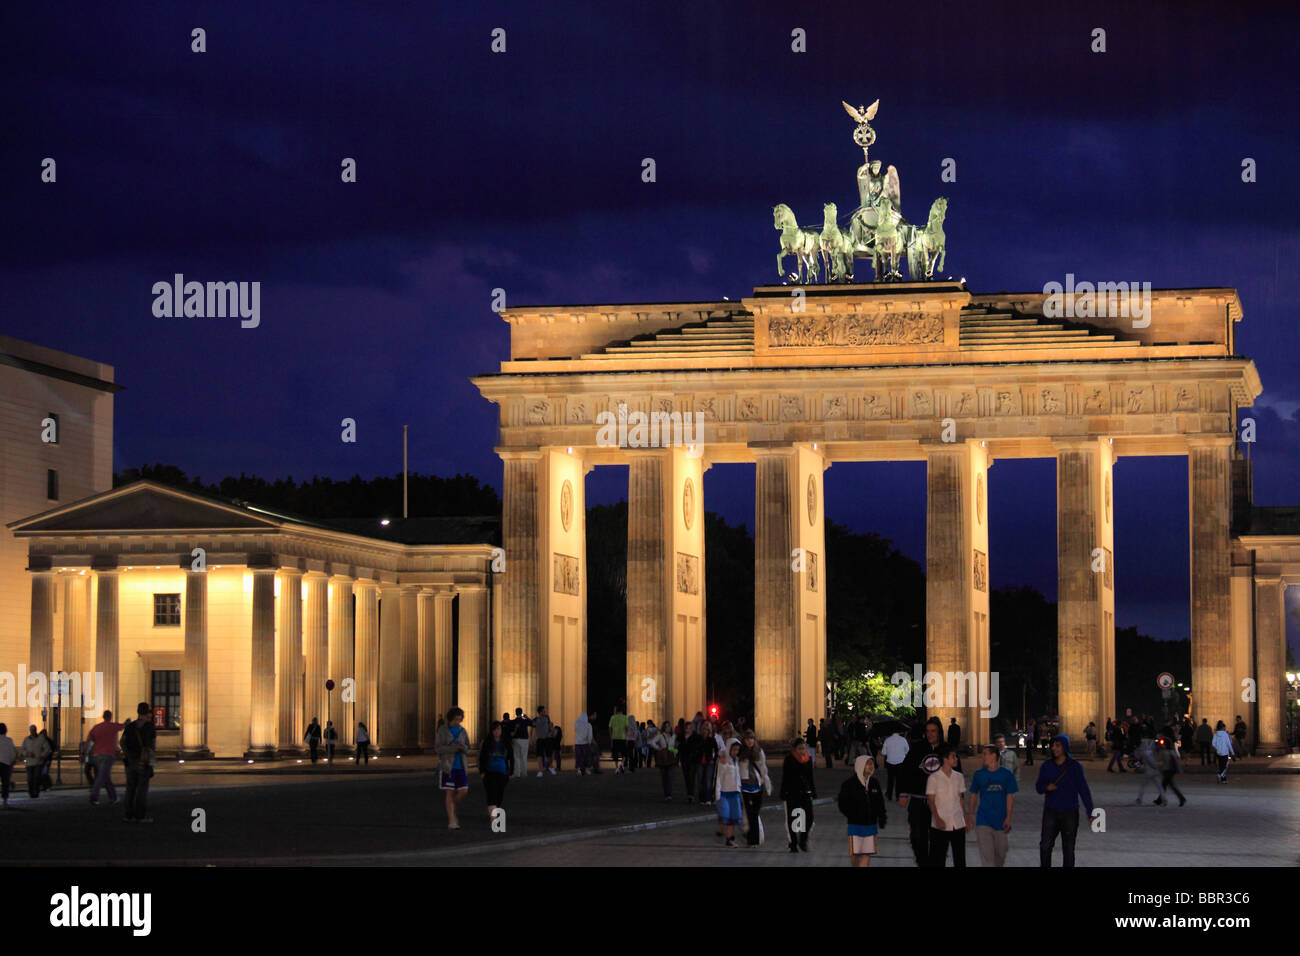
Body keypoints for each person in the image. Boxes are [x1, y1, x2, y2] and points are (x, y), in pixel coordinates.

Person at [1035, 734, 1094, 867]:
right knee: (1045, 846)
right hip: (1051, 811)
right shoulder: (1046, 766)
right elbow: (1038, 787)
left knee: (1068, 849)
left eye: (1057, 745)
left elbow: (1084, 790)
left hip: (1070, 812)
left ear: (1065, 747)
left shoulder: (1075, 767)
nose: (1054, 748)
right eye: (1053, 745)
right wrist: (1046, 787)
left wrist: (1090, 812)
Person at [898, 717, 944, 866]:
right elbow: (905, 772)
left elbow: (958, 775)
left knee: (939, 839)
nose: (930, 734)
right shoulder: (917, 749)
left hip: (940, 803)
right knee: (918, 837)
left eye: (933, 731)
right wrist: (903, 793)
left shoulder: (947, 750)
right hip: (919, 801)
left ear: (939, 732)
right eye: (928, 731)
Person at [968, 745, 1018, 867]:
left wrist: (1008, 817)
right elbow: (973, 795)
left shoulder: (1007, 775)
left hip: (1001, 820)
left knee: (1001, 853)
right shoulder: (978, 774)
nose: (982, 756)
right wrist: (971, 815)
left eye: (985, 754)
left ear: (994, 756)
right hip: (983, 820)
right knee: (988, 859)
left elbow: (1010, 797)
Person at [836, 754, 886, 866]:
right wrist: (851, 814)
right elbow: (842, 803)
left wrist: (882, 817)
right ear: (860, 765)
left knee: (866, 853)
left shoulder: (874, 783)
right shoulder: (849, 784)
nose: (871, 766)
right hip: (855, 825)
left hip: (871, 824)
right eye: (868, 764)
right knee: (855, 853)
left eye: (872, 764)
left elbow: (880, 802)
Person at [926, 746, 967, 867]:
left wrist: (965, 818)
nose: (956, 759)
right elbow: (931, 801)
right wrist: (937, 818)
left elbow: (960, 798)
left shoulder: (959, 777)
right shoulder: (934, 778)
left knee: (960, 858)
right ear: (945, 759)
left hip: (958, 822)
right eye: (953, 757)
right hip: (941, 824)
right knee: (938, 858)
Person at [120, 703, 157, 823]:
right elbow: (152, 746)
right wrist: (151, 762)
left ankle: (128, 815)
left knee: (130, 788)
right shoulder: (150, 726)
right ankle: (140, 816)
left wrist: (128, 755)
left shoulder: (130, 726)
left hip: (130, 761)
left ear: (138, 712)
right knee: (142, 789)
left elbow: (122, 742)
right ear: (147, 713)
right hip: (143, 761)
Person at [436, 707, 471, 828]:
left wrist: (463, 748)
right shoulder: (443, 730)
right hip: (448, 766)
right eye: (456, 719)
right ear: (450, 718)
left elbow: (468, 747)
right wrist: (453, 748)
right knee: (449, 792)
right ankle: (452, 820)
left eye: (460, 719)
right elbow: (438, 748)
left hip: (461, 765)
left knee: (463, 791)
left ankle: (452, 808)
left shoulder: (462, 730)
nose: (458, 722)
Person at [736, 730, 772, 847]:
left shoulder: (759, 752)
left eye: (751, 738)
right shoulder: (740, 752)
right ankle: (752, 839)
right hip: (745, 786)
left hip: (757, 785)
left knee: (755, 812)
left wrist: (767, 784)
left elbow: (763, 768)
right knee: (749, 812)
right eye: (747, 739)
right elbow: (736, 768)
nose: (749, 741)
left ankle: (754, 838)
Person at [781, 738, 817, 852]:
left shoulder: (808, 759)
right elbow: (785, 777)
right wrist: (783, 792)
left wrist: (813, 791)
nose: (802, 751)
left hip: (805, 792)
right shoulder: (789, 759)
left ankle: (803, 839)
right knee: (793, 818)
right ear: (795, 749)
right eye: (800, 748)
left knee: (809, 818)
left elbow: (810, 777)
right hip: (792, 792)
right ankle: (793, 843)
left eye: (803, 748)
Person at [86, 710, 124, 805]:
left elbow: (89, 739)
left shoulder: (97, 727)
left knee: (105, 777)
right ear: (110, 717)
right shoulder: (112, 726)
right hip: (108, 755)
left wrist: (84, 753)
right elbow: (123, 726)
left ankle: (113, 797)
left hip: (97, 755)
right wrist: (127, 722)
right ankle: (94, 796)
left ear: (103, 717)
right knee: (102, 776)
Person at [479, 720, 514, 819]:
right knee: (491, 794)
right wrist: (482, 771)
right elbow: (482, 757)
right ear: (491, 731)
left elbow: (511, 758)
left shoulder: (506, 743)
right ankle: (493, 819)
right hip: (489, 772)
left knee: (499, 795)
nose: (497, 732)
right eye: (494, 729)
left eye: (498, 729)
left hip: (502, 772)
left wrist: (511, 771)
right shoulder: (487, 742)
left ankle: (495, 812)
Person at [715, 740, 744, 847]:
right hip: (724, 793)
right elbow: (718, 778)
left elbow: (738, 777)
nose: (736, 752)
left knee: (732, 818)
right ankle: (720, 831)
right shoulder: (723, 762)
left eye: (737, 750)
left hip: (734, 793)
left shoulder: (736, 761)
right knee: (725, 815)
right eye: (734, 749)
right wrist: (717, 793)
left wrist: (739, 790)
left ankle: (729, 838)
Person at [1154, 734, 1186, 807]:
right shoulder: (1171, 752)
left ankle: (1181, 798)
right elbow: (1175, 762)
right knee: (1167, 785)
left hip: (1167, 770)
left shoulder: (1164, 752)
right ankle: (1160, 799)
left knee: (1165, 786)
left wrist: (1156, 765)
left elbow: (1162, 762)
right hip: (1171, 771)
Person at [647, 721, 676, 800]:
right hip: (663, 758)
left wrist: (674, 752)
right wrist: (658, 748)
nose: (668, 728)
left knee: (669, 776)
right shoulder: (660, 736)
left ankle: (669, 794)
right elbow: (653, 742)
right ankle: (666, 793)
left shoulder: (674, 736)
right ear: (664, 728)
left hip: (670, 757)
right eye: (666, 726)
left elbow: (675, 747)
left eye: (669, 726)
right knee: (664, 777)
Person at [20, 725, 50, 799]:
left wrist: (42, 755)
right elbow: (22, 749)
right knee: (30, 778)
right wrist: (26, 753)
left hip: (38, 762)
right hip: (29, 762)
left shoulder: (41, 739)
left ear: (36, 730)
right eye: (31, 730)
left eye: (33, 730)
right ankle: (31, 792)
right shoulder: (26, 739)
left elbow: (47, 749)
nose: (32, 731)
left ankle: (36, 791)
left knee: (36, 777)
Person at [1133, 735, 1164, 805]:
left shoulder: (1145, 752)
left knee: (1144, 785)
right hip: (1154, 771)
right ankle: (1164, 799)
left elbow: (1141, 759)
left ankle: (1139, 799)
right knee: (1159, 786)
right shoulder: (1150, 750)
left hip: (1149, 772)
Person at [881, 728, 910, 799]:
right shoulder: (903, 740)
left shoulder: (887, 740)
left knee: (890, 779)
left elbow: (883, 752)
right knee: (899, 780)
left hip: (890, 762)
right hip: (900, 762)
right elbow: (907, 751)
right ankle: (898, 795)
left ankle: (889, 795)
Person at [697, 719, 719, 805]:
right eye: (703, 730)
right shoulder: (698, 739)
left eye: (706, 730)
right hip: (700, 761)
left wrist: (713, 759)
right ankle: (702, 799)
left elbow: (716, 751)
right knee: (700, 780)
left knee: (708, 780)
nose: (705, 732)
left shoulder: (712, 740)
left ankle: (708, 798)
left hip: (709, 762)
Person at [678, 722, 701, 802]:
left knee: (691, 777)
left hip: (693, 760)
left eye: (690, 728)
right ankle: (689, 793)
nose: (688, 729)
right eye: (687, 728)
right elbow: (678, 748)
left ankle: (691, 794)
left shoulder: (696, 737)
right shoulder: (681, 737)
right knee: (687, 777)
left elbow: (697, 748)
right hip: (684, 759)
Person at [510, 708, 532, 778]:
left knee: (516, 757)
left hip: (516, 739)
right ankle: (524, 772)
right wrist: (527, 717)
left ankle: (517, 773)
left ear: (516, 713)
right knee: (524, 757)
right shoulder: (525, 721)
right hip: (525, 739)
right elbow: (533, 724)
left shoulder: (513, 721)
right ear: (521, 713)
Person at [533, 706, 554, 776]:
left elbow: (550, 726)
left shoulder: (547, 717)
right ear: (540, 712)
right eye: (544, 711)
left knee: (549, 755)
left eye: (545, 711)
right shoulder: (536, 719)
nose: (545, 712)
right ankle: (540, 770)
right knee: (539, 755)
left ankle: (550, 767)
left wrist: (551, 730)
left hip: (547, 738)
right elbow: (533, 724)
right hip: (540, 739)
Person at [0, 724, 16, 808]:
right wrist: (12, 761)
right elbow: (12, 753)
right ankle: (4, 802)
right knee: (5, 783)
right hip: (5, 763)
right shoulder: (9, 740)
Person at [609, 706, 628, 773]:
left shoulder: (613, 717)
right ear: (622, 711)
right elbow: (626, 728)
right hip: (623, 738)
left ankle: (616, 767)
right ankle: (622, 764)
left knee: (615, 753)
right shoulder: (625, 717)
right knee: (625, 753)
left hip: (615, 738)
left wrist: (611, 736)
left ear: (616, 711)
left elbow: (610, 727)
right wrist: (626, 736)